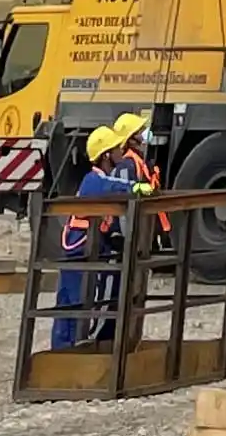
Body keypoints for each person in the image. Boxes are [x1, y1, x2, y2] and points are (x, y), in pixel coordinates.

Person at [48, 113, 158, 349]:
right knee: (75, 305)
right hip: (80, 251)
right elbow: (116, 187)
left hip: (81, 250)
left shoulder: (97, 178)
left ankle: (64, 350)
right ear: (106, 155)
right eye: (115, 149)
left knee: (71, 304)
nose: (120, 152)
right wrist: (138, 187)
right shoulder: (94, 180)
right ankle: (66, 353)